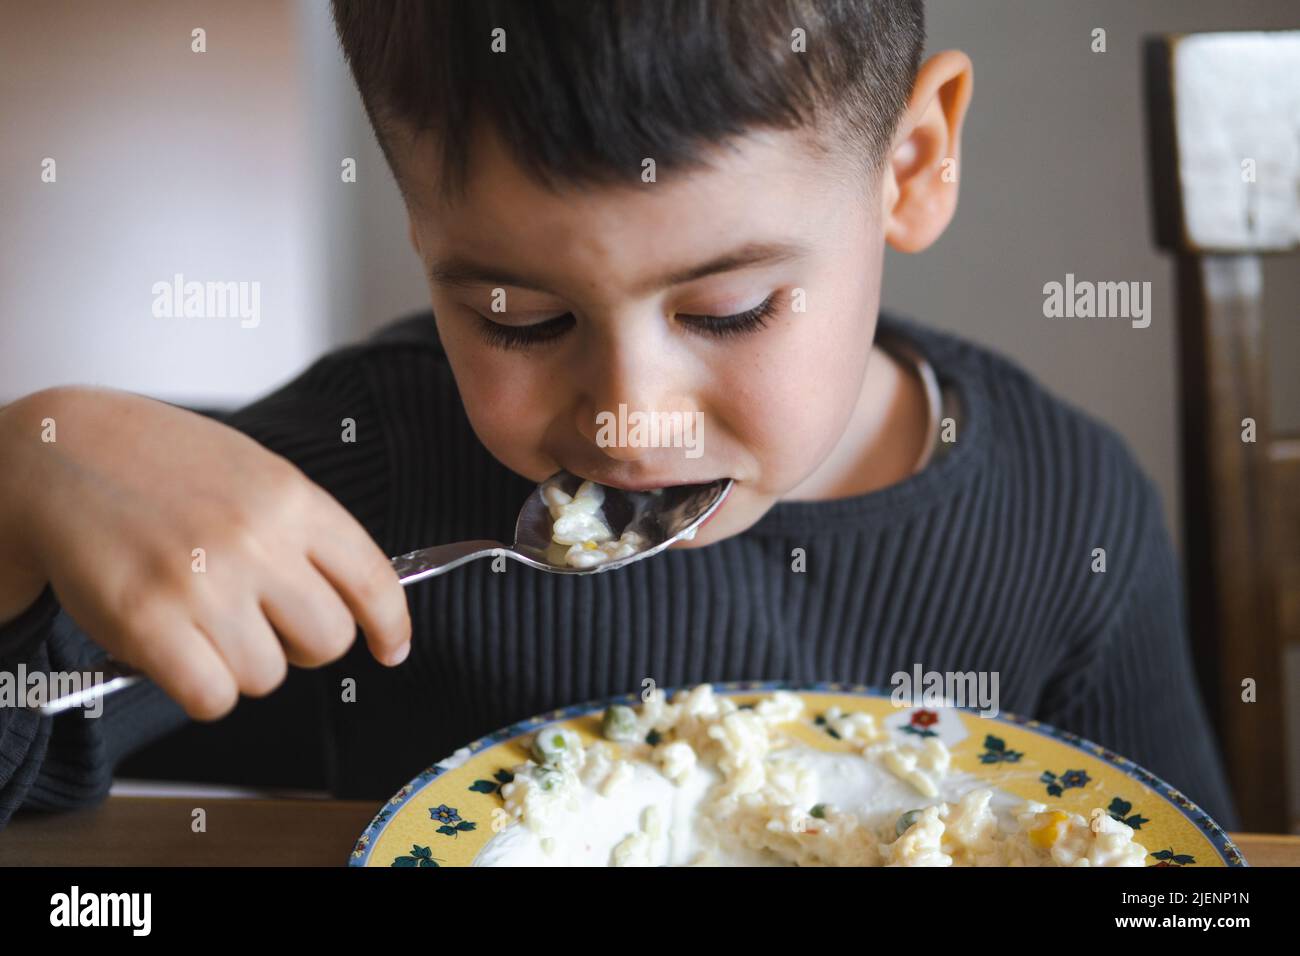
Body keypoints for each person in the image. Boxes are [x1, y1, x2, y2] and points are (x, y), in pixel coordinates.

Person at [0, 0, 1239, 834]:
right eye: (519, 317)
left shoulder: (1069, 517)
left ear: (911, 164)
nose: (628, 422)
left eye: (733, 309)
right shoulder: (367, 477)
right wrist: (19, 499)